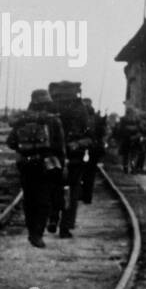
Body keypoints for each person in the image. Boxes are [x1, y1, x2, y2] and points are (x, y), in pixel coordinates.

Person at [7, 89, 66, 248]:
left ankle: (32, 232)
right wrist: (61, 166)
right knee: (44, 201)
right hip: (45, 166)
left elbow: (11, 142)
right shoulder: (53, 120)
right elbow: (59, 146)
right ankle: (37, 234)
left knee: (29, 200)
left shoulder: (22, 120)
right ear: (47, 103)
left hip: (26, 165)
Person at [50, 87, 90, 238]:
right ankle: (65, 227)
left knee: (52, 189)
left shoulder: (52, 107)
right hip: (74, 157)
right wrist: (78, 144)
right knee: (72, 192)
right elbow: (89, 135)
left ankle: (53, 218)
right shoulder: (80, 109)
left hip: (53, 157)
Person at [80, 97, 106, 205]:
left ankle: (83, 195)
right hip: (93, 148)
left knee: (82, 172)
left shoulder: (80, 116)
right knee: (90, 174)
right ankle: (87, 196)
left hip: (84, 148)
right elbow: (102, 132)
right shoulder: (96, 117)